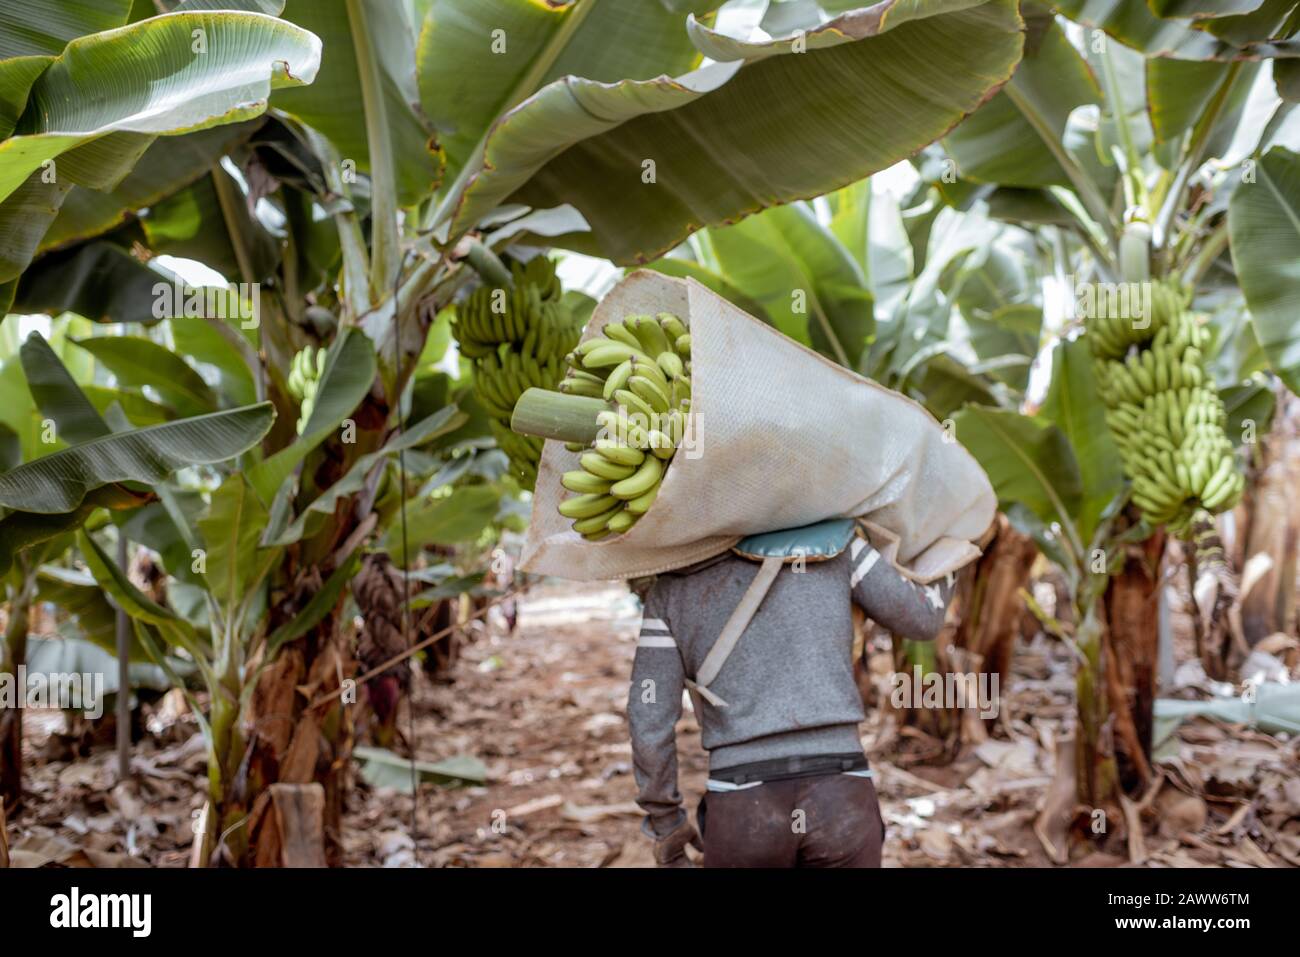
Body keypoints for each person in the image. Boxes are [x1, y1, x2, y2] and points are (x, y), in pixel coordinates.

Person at [626, 519, 955, 868]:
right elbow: (922, 618)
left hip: (743, 810)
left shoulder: (671, 589)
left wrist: (666, 821)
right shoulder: (836, 547)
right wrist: (951, 553)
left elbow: (648, 717)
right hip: (841, 800)